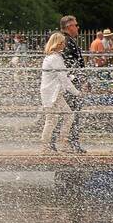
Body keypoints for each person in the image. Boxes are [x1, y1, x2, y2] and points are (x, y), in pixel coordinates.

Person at [40, 32, 82, 153]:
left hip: (53, 92)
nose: (64, 45)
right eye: (62, 43)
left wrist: (72, 77)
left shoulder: (53, 57)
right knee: (58, 118)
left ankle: (50, 145)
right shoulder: (54, 58)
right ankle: (57, 144)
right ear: (57, 44)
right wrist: (77, 93)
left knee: (54, 119)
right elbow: (63, 78)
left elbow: (63, 76)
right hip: (52, 93)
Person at [57, 15, 86, 152]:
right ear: (69, 27)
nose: (78, 27)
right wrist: (78, 80)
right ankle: (72, 143)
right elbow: (69, 64)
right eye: (76, 25)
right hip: (71, 85)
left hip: (70, 83)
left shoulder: (67, 40)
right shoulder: (67, 41)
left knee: (69, 114)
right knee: (72, 114)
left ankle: (68, 142)